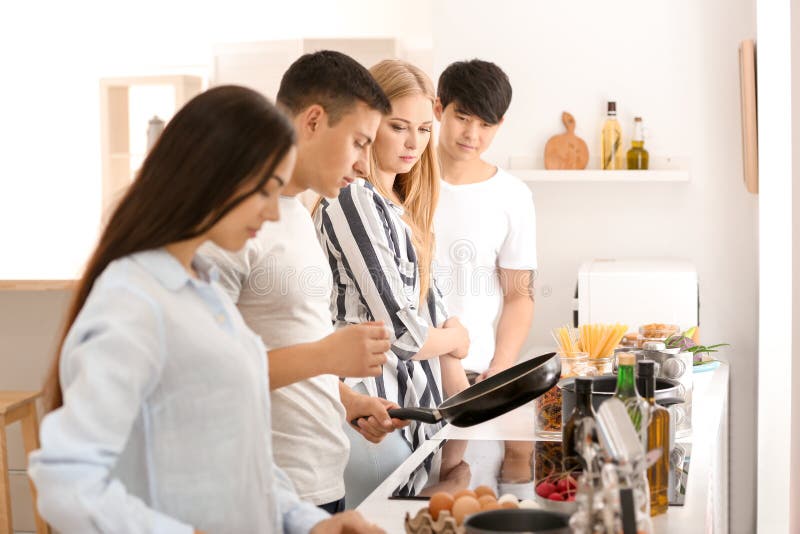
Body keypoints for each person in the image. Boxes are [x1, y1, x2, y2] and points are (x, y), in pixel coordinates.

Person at [28, 85, 380, 533]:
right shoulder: (133, 302)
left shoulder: (205, 293)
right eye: (266, 191)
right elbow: (68, 484)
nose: (274, 214)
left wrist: (308, 522)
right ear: (215, 175)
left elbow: (240, 461)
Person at [200, 50, 407, 513]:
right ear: (313, 121)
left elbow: (281, 340)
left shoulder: (295, 212)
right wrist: (327, 355)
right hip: (263, 490)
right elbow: (207, 372)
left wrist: (346, 399)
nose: (364, 164)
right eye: (359, 142)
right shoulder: (234, 220)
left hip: (317, 482)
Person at [315, 59, 470, 506]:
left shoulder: (401, 210)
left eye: (424, 129)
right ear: (369, 125)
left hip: (408, 414)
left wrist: (461, 431)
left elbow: (436, 320)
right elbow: (406, 335)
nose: (413, 143)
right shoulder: (353, 198)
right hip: (370, 413)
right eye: (399, 127)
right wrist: (457, 338)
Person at [432, 59, 538, 382]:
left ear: (500, 123)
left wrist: (500, 366)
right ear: (438, 109)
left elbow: (518, 296)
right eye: (462, 118)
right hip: (398, 373)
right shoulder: (401, 180)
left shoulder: (513, 196)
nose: (472, 134)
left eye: (485, 124)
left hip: (472, 373)